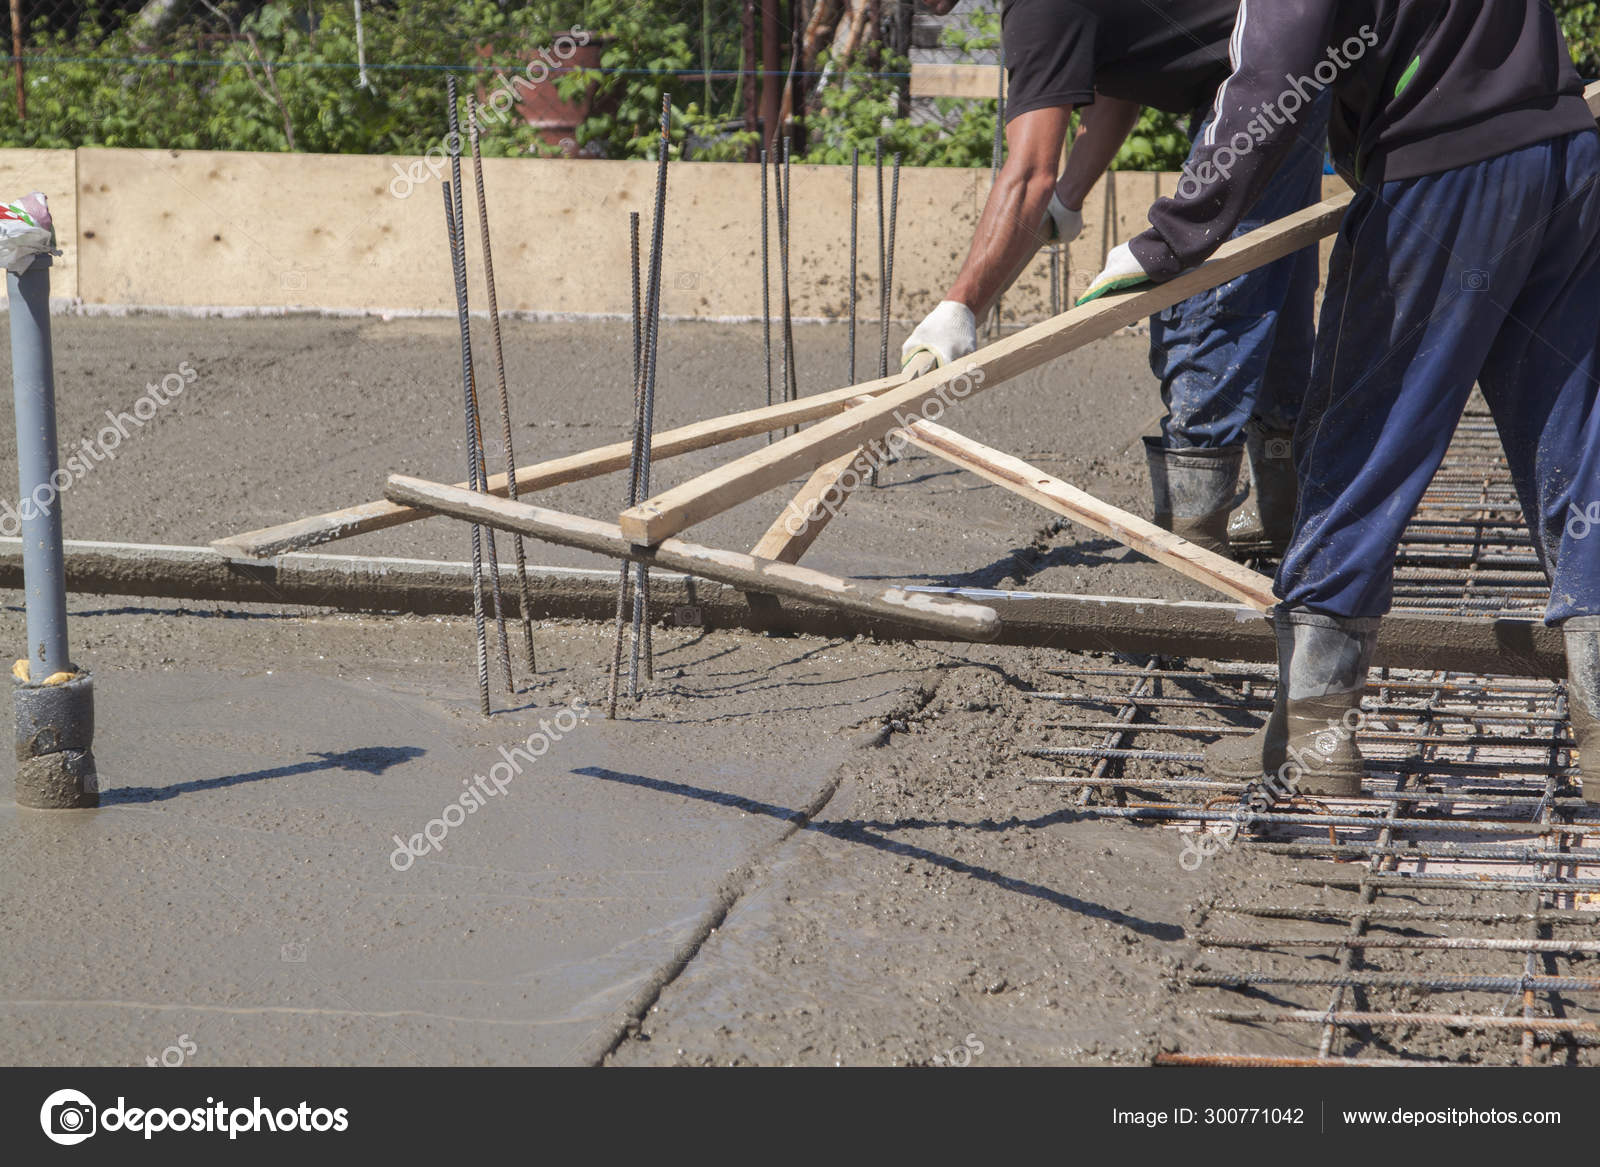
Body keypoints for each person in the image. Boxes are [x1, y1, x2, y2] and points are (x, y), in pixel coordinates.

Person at [1081, 0, 1600, 800]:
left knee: (1357, 443)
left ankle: (1314, 736)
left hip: (1443, 174)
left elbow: (1271, 76)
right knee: (1580, 439)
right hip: (1563, 157)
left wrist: (1171, 237)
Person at [905, 0, 1330, 555]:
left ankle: (1192, 532)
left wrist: (960, 308)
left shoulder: (1038, 11)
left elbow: (1030, 171)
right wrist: (1069, 196)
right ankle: (1285, 513)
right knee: (1267, 277)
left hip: (1269, 69)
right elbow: (1124, 81)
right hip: (1296, 57)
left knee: (1209, 290)